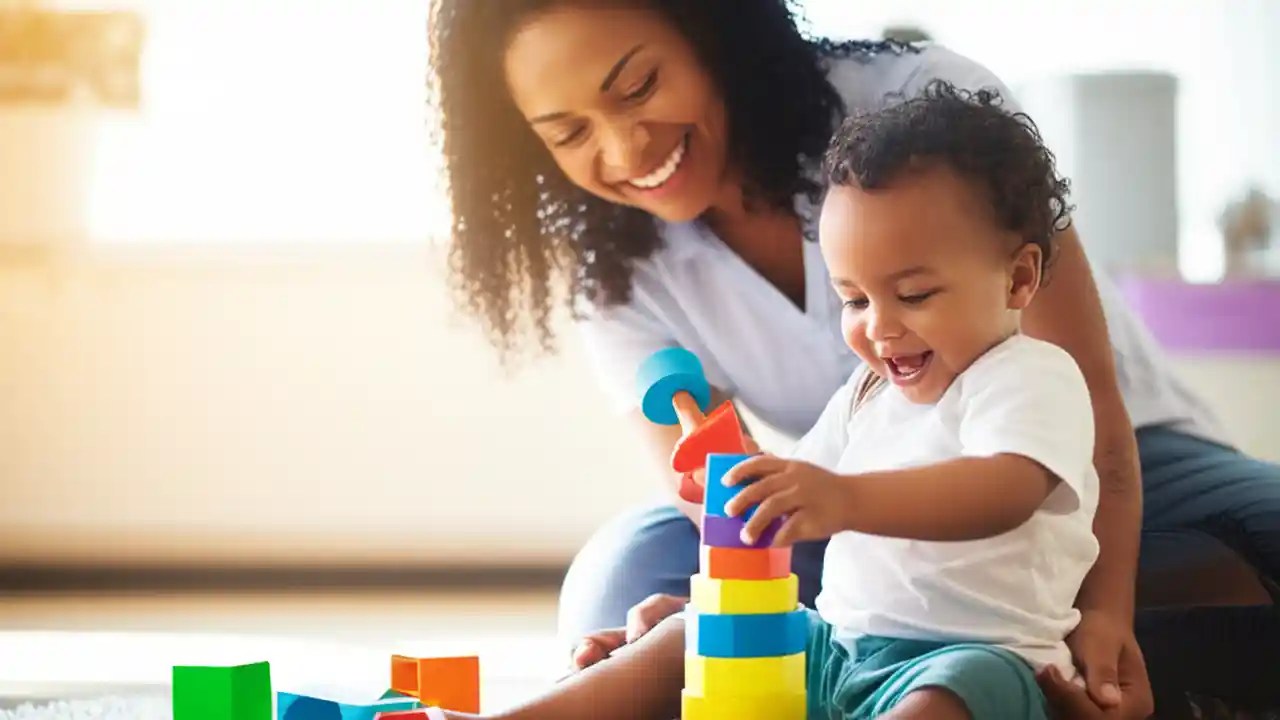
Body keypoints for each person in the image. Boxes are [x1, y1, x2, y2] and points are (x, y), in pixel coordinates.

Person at [425, 1, 1280, 717]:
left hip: (1111, 461)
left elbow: (1076, 425)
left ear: (708, 28)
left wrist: (1105, 611)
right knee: (625, 582)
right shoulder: (613, 263)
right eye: (568, 131)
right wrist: (728, 600)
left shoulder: (924, 117)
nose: (623, 151)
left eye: (640, 86)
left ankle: (1059, 660)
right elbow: (729, 497)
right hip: (853, 522)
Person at [423, 77, 1095, 720]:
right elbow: (787, 498)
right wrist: (729, 519)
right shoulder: (868, 393)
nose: (879, 327)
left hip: (980, 659)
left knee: (954, 692)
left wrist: (845, 498)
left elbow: (1005, 489)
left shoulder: (1031, 376)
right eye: (854, 299)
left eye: (914, 295)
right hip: (840, 649)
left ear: (1019, 277)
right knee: (689, 632)